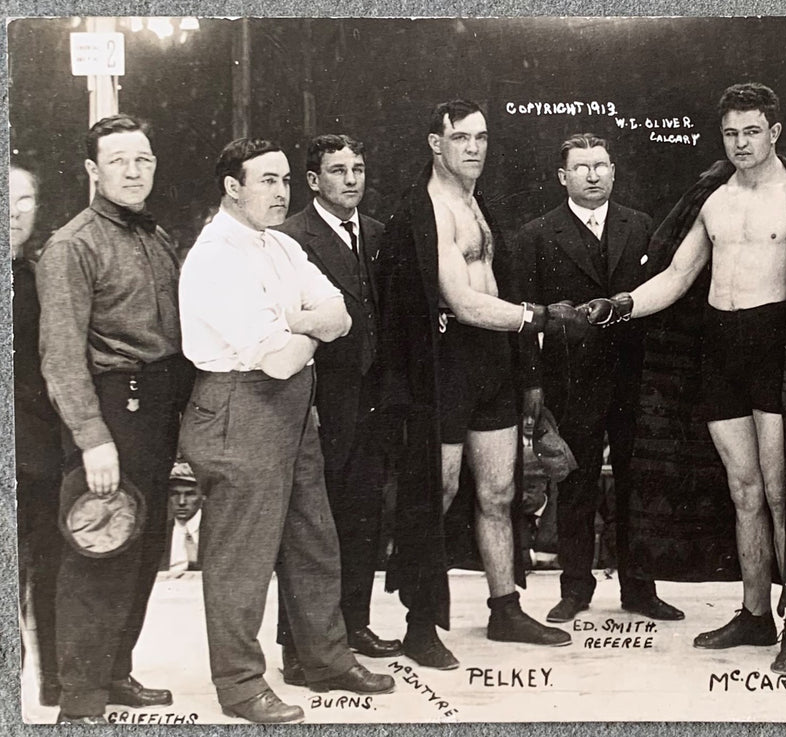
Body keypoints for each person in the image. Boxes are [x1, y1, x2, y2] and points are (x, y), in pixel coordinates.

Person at [583, 82, 786, 673]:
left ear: (774, 132)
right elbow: (678, 275)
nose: (741, 143)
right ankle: (755, 612)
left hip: (776, 347)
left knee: (780, 490)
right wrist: (622, 305)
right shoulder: (712, 198)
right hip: (720, 349)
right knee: (743, 489)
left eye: (752, 131)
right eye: (731, 133)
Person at [178, 138, 394, 724]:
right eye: (267, 181)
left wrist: (295, 325)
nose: (281, 192)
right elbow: (276, 360)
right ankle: (240, 686)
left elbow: (341, 315)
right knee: (242, 559)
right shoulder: (215, 256)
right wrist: (305, 328)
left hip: (293, 409)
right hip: (239, 408)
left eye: (284, 180)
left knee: (313, 539)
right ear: (233, 187)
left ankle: (324, 661)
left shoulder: (280, 244)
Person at [377, 100, 586, 670]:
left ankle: (504, 608)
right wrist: (538, 318)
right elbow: (464, 302)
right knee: (438, 492)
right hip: (445, 363)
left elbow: (496, 285)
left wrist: (526, 367)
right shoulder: (427, 208)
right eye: (461, 138)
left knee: (499, 492)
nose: (474, 148)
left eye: (482, 138)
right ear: (435, 144)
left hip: (492, 359)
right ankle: (421, 626)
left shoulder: (476, 202)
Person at [36, 115, 194, 724]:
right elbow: (60, 357)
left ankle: (114, 673)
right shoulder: (72, 245)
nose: (133, 171)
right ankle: (79, 704)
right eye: (119, 161)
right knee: (100, 546)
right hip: (111, 411)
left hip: (157, 408)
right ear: (92, 170)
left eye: (143, 160)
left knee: (145, 545)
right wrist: (92, 438)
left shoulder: (155, 237)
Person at [506, 133, 683, 624]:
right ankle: (575, 588)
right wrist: (533, 384)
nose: (592, 175)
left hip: (634, 377)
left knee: (636, 482)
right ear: (562, 176)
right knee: (576, 484)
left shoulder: (639, 224)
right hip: (571, 380)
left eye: (601, 165)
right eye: (581, 167)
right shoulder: (536, 234)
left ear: (613, 171)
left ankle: (640, 589)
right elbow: (525, 318)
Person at [272, 134, 403, 686]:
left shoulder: (377, 233)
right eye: (338, 170)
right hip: (320, 404)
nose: (351, 179)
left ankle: (354, 625)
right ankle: (296, 647)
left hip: (373, 403)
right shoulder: (289, 238)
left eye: (358, 169)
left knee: (363, 518)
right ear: (313, 180)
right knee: (308, 531)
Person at [12, 163, 64, 708]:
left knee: (50, 570)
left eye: (24, 198)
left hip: (42, 455)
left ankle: (55, 683)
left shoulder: (40, 277)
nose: (13, 210)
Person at [164, 461, 203, 577]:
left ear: (203, 496)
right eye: (174, 494)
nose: (181, 502)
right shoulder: (158, 533)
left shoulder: (217, 529)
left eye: (190, 494)